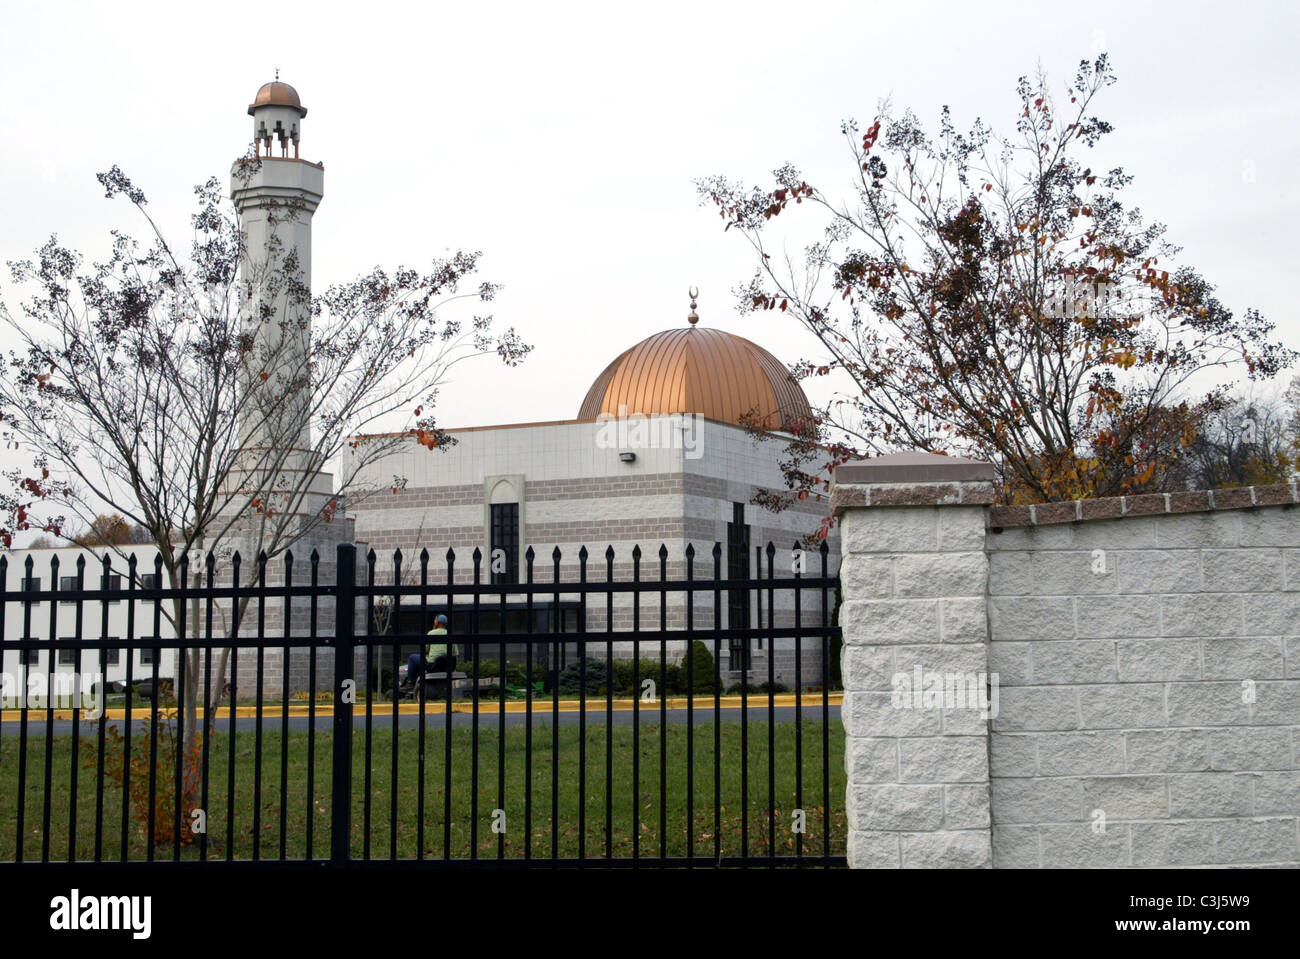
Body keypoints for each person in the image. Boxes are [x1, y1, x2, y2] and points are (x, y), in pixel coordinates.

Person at [402, 614, 453, 693]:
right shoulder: (451, 634)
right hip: (448, 665)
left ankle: (411, 682)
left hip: (433, 665)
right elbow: (455, 654)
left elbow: (424, 651)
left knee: (412, 657)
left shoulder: (431, 633)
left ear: (437, 623)